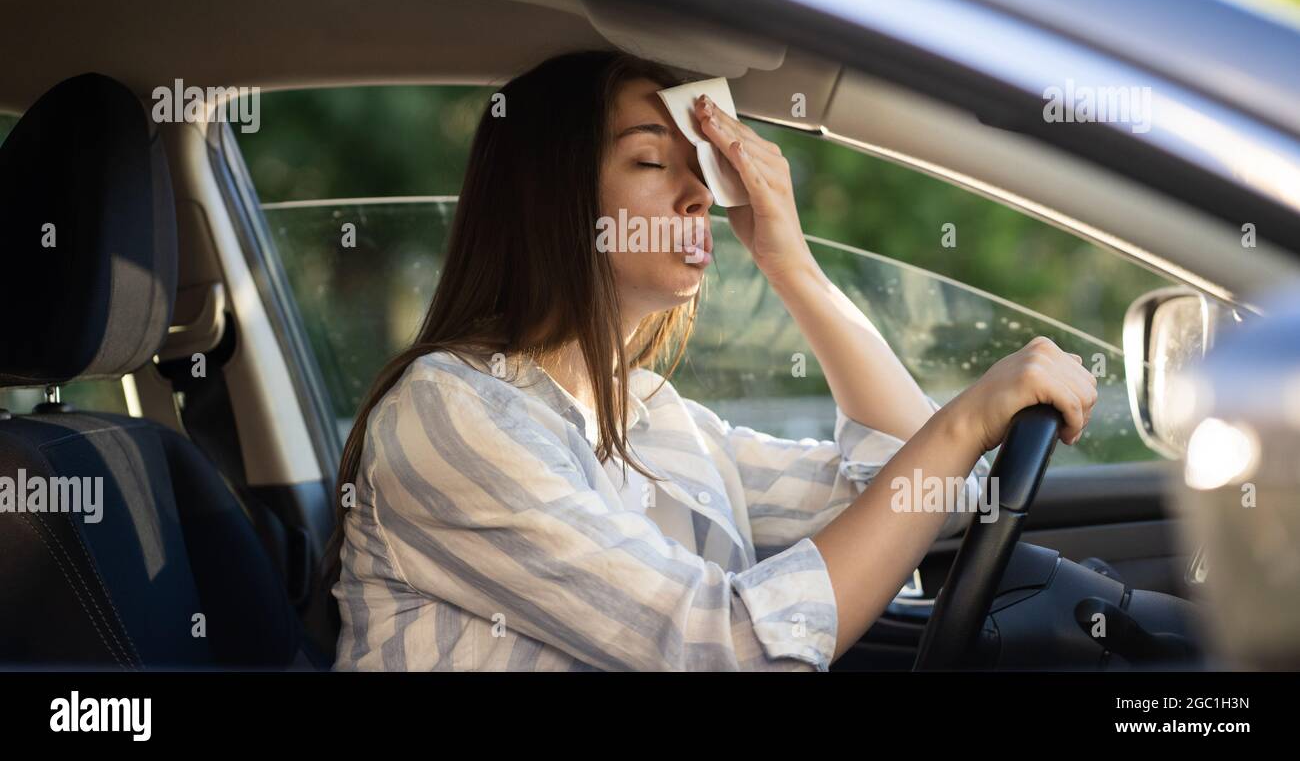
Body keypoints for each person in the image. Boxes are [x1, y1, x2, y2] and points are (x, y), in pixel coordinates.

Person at [326, 49, 1098, 671]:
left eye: (701, 164)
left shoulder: (655, 416)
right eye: (652, 163)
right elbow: (726, 647)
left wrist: (789, 262)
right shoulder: (450, 414)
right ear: (552, 199)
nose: (700, 194)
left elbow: (927, 491)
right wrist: (966, 418)